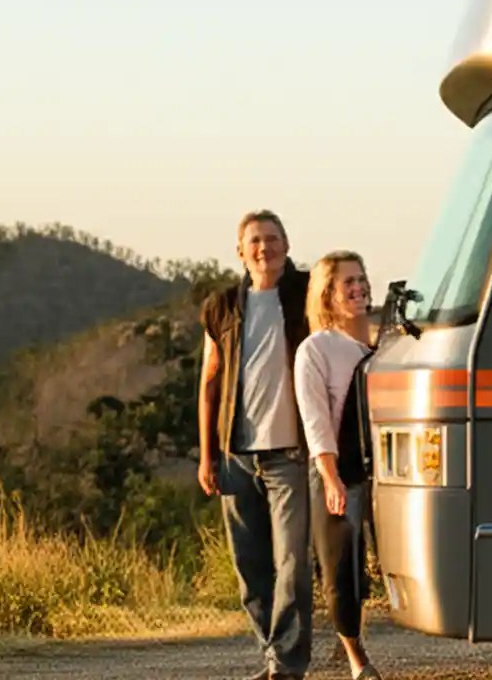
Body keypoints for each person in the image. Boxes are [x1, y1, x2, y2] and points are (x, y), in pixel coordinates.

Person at [198, 209, 312, 680]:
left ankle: (286, 664)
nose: (265, 247)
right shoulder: (222, 306)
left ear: (286, 244)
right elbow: (209, 382)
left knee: (292, 564)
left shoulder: (308, 294)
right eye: (255, 241)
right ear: (240, 251)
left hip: (292, 453)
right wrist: (207, 454)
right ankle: (272, 654)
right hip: (236, 455)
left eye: (272, 238)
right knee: (250, 567)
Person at [293, 250, 382, 680]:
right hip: (339, 471)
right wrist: (330, 478)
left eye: (361, 278)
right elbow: (316, 422)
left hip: (386, 472)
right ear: (327, 294)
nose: (358, 287)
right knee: (340, 567)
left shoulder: (388, 343)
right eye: (348, 282)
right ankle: (356, 656)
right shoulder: (316, 349)